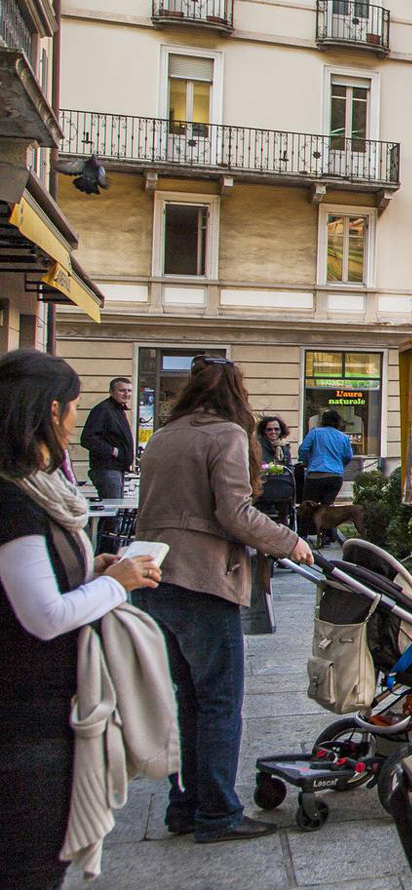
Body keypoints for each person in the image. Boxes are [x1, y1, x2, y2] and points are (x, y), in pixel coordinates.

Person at [0, 351, 164, 887]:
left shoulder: (34, 491)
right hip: (27, 724)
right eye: (71, 407)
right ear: (49, 411)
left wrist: (90, 569)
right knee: (32, 863)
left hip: (42, 713)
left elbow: (41, 579)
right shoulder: (15, 502)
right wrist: (113, 585)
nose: (75, 419)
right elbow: (44, 616)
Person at [134, 357, 312, 843]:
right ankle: (217, 811)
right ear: (236, 394)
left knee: (187, 700)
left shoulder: (164, 437)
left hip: (155, 577)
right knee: (218, 702)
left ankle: (185, 805)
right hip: (203, 578)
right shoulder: (227, 435)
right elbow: (234, 512)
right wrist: (288, 540)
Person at [80, 377, 135, 524]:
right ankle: (108, 547)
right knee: (112, 515)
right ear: (111, 392)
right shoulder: (103, 410)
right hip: (107, 469)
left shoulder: (117, 410)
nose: (127, 394)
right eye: (122, 390)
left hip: (117, 469)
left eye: (129, 390)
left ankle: (109, 545)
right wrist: (113, 451)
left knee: (113, 515)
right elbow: (87, 438)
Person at [299, 411, 353, 546]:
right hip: (335, 477)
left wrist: (307, 461)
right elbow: (348, 456)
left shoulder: (315, 433)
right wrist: (339, 466)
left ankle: (303, 535)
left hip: (316, 475)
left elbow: (303, 449)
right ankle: (327, 537)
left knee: (308, 505)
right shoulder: (343, 437)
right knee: (327, 507)